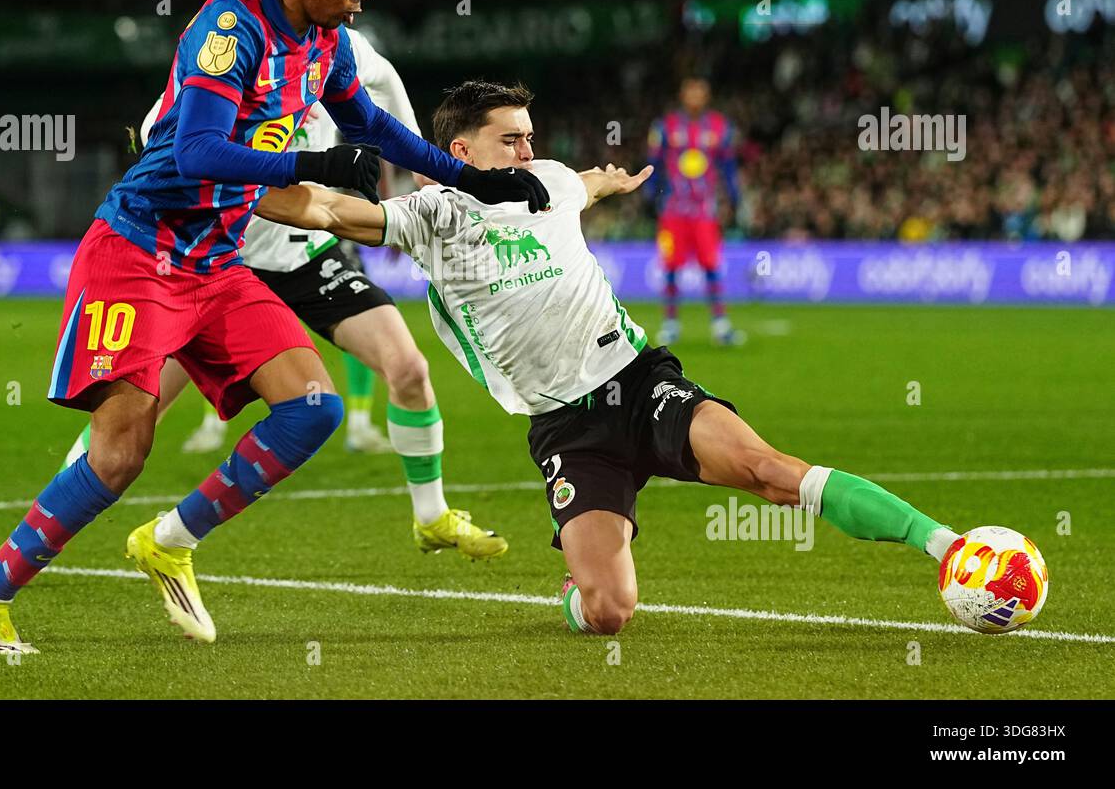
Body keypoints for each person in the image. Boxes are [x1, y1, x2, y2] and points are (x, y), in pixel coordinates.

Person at [0, 0, 546, 654]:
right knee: (123, 449)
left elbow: (373, 125)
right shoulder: (232, 23)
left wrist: (473, 180)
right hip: (140, 251)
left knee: (314, 408)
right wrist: (312, 161)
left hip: (214, 260)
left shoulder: (326, 42)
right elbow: (196, 151)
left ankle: (170, 539)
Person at [249, 78, 961, 635]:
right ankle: (578, 584)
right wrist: (231, 176)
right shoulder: (430, 215)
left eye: (530, 137)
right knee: (610, 613)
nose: (528, 152)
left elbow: (575, 184)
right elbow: (326, 210)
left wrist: (605, 181)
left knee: (771, 471)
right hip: (568, 431)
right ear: (459, 153)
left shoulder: (549, 181)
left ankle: (947, 546)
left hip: (638, 380)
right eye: (510, 141)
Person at [647, 77, 744, 345]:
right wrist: (648, 195)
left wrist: (735, 197)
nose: (695, 97)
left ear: (707, 96)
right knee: (671, 266)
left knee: (711, 265)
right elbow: (653, 162)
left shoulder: (720, 127)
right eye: (690, 91)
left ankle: (720, 324)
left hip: (704, 211)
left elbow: (729, 167)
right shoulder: (665, 127)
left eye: (699, 92)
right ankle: (670, 323)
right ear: (682, 94)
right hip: (673, 210)